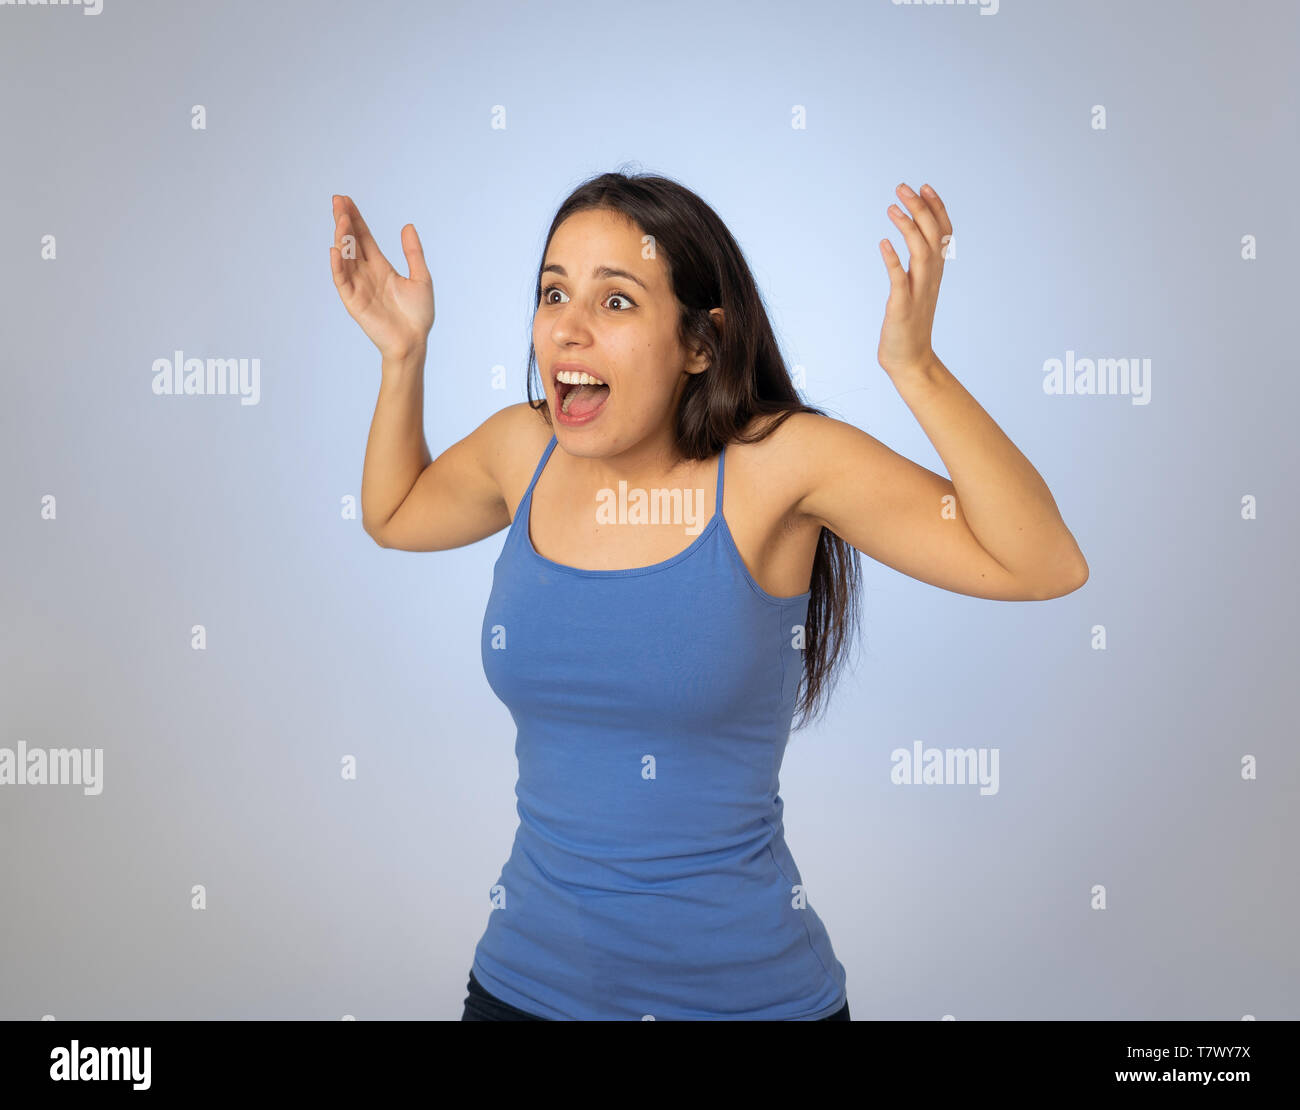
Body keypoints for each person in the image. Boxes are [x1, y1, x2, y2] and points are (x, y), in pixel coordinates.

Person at [329, 169, 1088, 1021]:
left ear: (701, 342)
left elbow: (1042, 563)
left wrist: (916, 368)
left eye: (615, 302)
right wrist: (402, 356)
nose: (568, 330)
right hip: (522, 991)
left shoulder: (780, 465)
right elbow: (393, 514)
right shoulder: (523, 449)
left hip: (748, 1003)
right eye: (553, 294)